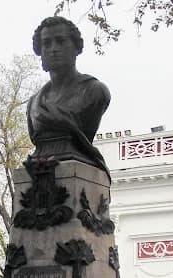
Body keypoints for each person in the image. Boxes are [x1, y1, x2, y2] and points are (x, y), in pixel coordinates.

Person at [27, 16, 111, 177]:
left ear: (76, 47)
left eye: (60, 41)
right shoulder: (34, 103)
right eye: (46, 43)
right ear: (40, 51)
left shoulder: (95, 91)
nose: (53, 49)